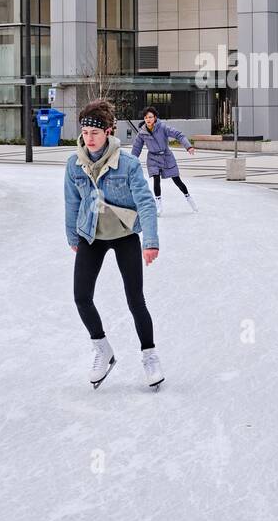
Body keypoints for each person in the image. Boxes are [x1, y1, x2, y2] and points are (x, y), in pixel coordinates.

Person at [64, 98, 162, 390]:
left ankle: (150, 356)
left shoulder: (128, 164)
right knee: (81, 296)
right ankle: (102, 350)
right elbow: (72, 202)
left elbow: (145, 203)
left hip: (123, 235)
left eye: (95, 132)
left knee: (135, 300)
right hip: (90, 236)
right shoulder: (75, 164)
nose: (89, 138)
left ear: (108, 131)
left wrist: (151, 242)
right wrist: (72, 237)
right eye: (85, 132)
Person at [130, 106, 196, 215]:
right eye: (146, 117)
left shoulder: (163, 128)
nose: (148, 119)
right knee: (156, 179)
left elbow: (178, 135)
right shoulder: (142, 133)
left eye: (150, 117)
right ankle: (159, 205)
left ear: (155, 117)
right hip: (153, 159)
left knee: (177, 181)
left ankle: (189, 198)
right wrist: (132, 160)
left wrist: (188, 146)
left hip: (166, 157)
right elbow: (137, 147)